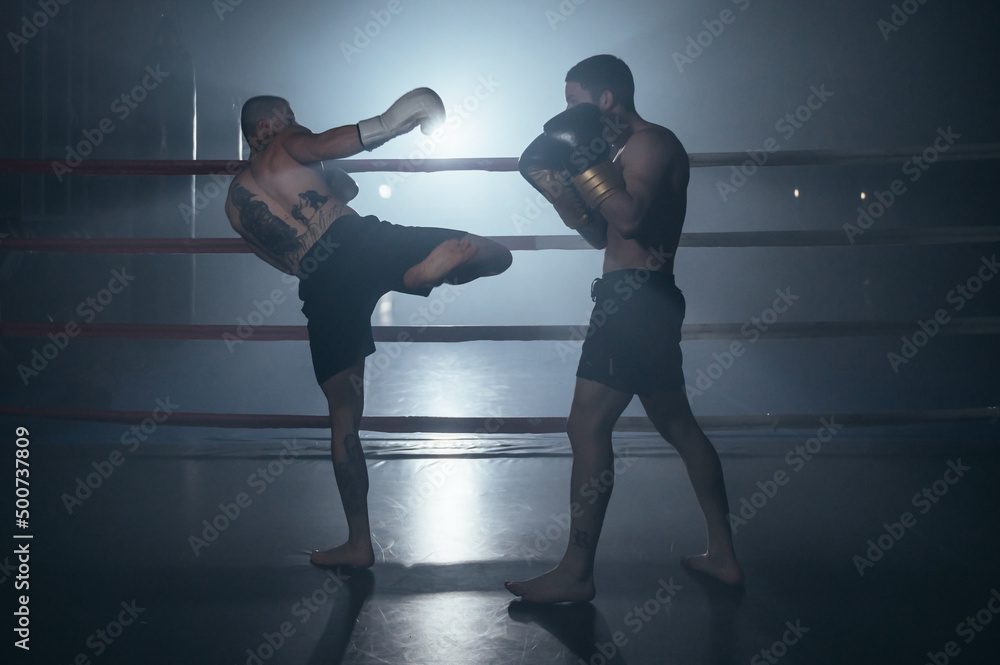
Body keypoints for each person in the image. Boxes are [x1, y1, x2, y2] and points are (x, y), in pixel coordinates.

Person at [225, 90, 512, 567]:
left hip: (317, 280)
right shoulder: (288, 143)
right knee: (491, 252)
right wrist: (403, 117)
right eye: (288, 117)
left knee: (343, 417)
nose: (295, 122)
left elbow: (282, 262)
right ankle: (414, 277)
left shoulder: (234, 206)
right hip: (357, 242)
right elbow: (343, 140)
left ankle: (358, 543)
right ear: (263, 129)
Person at [505, 55, 743, 603]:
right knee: (679, 426)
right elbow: (604, 235)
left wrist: (586, 160)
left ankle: (577, 572)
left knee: (586, 427)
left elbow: (631, 218)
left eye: (573, 100)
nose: (566, 111)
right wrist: (557, 188)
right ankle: (724, 556)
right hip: (636, 297)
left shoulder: (650, 144)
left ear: (605, 99)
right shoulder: (619, 154)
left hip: (634, 301)